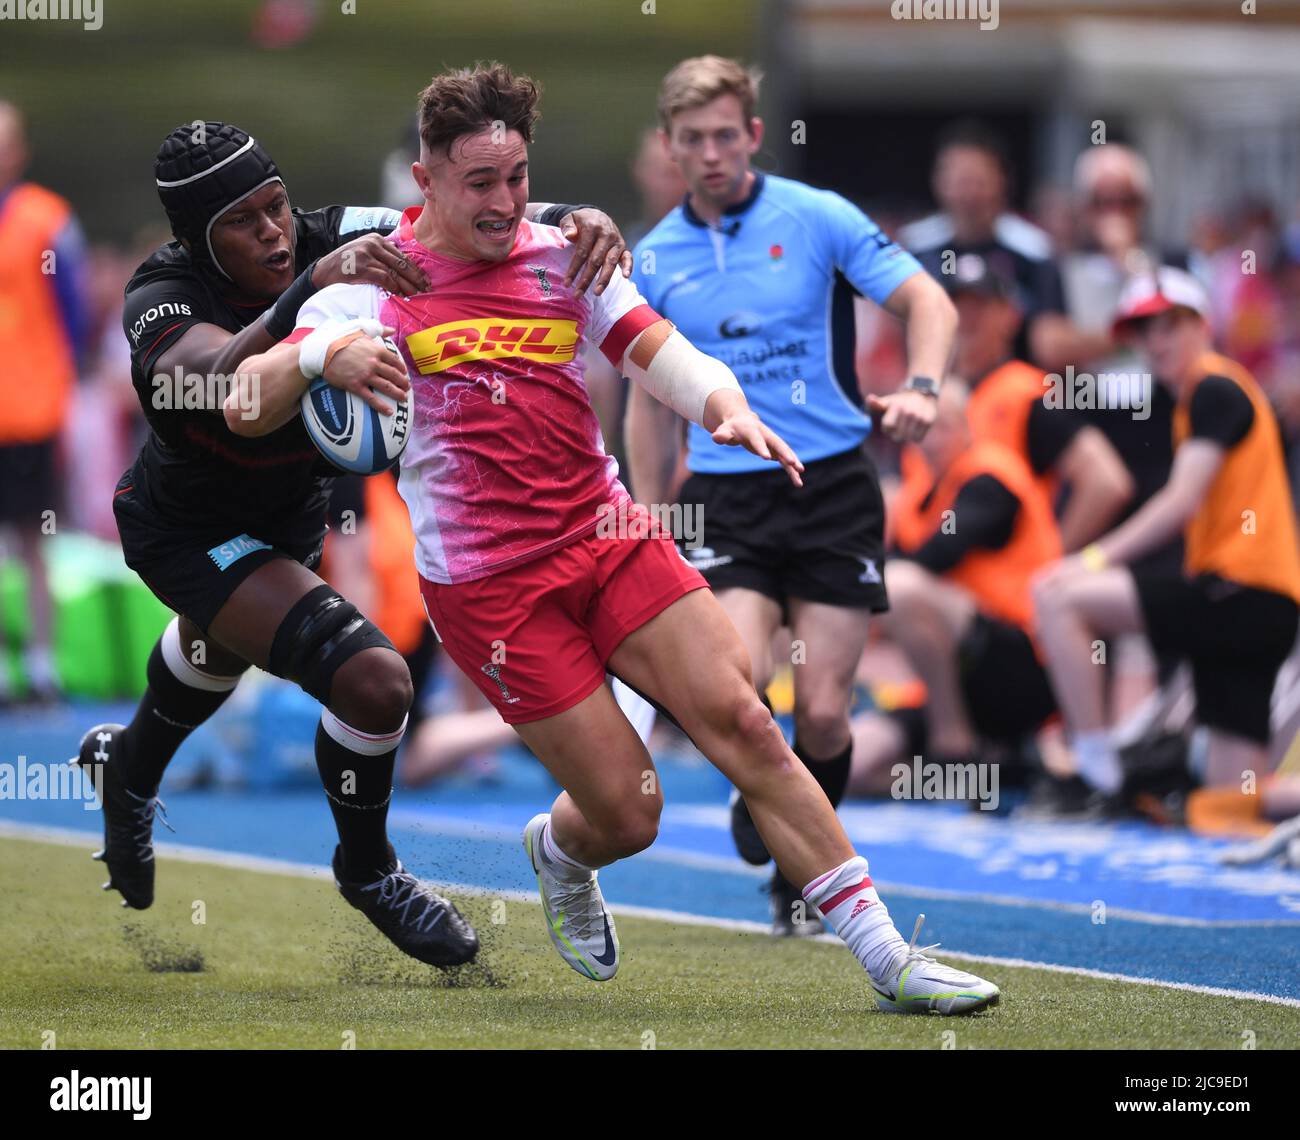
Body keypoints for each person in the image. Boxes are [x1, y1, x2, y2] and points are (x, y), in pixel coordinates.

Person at [239, 62, 1000, 1015]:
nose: (506, 201)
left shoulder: (562, 254)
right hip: (492, 590)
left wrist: (724, 405)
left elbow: (653, 346)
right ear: (425, 179)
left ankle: (891, 959)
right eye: (481, 183)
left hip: (608, 536)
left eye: (518, 177)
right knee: (631, 814)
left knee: (750, 724)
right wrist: (318, 355)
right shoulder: (370, 283)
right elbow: (243, 398)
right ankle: (560, 852)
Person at [75, 119, 630, 973]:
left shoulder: (330, 232)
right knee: (375, 681)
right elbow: (219, 378)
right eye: (243, 222)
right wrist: (312, 292)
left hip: (290, 513)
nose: (272, 232)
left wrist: (577, 214)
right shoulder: (161, 295)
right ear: (196, 238)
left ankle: (128, 770)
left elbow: (460, 210)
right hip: (192, 526)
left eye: (277, 207)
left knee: (216, 654)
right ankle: (369, 870)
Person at [625, 56, 957, 935]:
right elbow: (647, 408)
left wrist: (922, 385)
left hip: (836, 487)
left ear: (754, 136)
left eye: (725, 135)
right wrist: (653, 515)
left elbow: (929, 301)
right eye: (691, 139)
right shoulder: (652, 258)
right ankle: (768, 793)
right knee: (733, 693)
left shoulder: (815, 218)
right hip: (728, 499)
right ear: (670, 146)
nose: (710, 153)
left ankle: (797, 877)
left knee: (821, 710)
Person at [1033, 268, 1300, 807]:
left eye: (1169, 325)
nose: (1156, 341)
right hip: (1259, 607)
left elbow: (1180, 503)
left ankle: (1095, 772)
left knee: (1054, 593)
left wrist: (1089, 559)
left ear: (1202, 324)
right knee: (1225, 807)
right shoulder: (1202, 397)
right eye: (1143, 330)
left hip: (1239, 595)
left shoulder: (1214, 387)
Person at [853, 380, 1061, 793]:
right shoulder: (914, 492)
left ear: (966, 427)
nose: (930, 440)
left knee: (901, 585)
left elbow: (937, 556)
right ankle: (978, 777)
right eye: (921, 429)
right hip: (951, 678)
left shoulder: (992, 475)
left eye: (941, 426)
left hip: (1020, 661)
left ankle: (954, 744)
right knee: (854, 764)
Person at [942, 252, 1132, 550]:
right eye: (957, 305)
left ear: (1010, 316)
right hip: (935, 562)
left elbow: (1107, 483)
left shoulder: (1027, 394)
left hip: (999, 578)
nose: (966, 317)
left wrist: (1051, 561)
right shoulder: (934, 392)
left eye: (979, 306)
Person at [0, 101, 89, 704]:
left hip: (31, 408)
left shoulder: (48, 220)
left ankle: (40, 664)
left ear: (20, 151)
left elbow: (75, 313)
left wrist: (65, 383)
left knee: (35, 539)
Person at [900, 119, 1076, 372]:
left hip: (1016, 387)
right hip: (936, 383)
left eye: (978, 180)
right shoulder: (914, 249)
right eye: (960, 180)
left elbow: (1051, 338)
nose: (969, 193)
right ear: (939, 181)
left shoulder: (1035, 251)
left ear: (1002, 180)